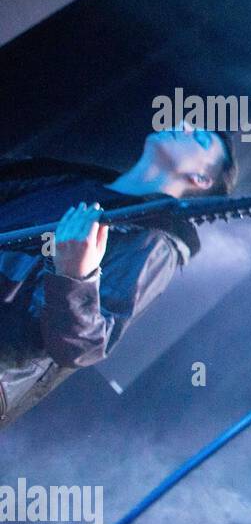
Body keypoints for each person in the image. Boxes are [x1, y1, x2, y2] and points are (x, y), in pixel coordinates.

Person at [0, 125, 236, 428]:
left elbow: (80, 347)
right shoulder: (62, 179)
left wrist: (75, 276)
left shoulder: (155, 242)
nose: (186, 126)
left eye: (200, 138)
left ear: (201, 179)